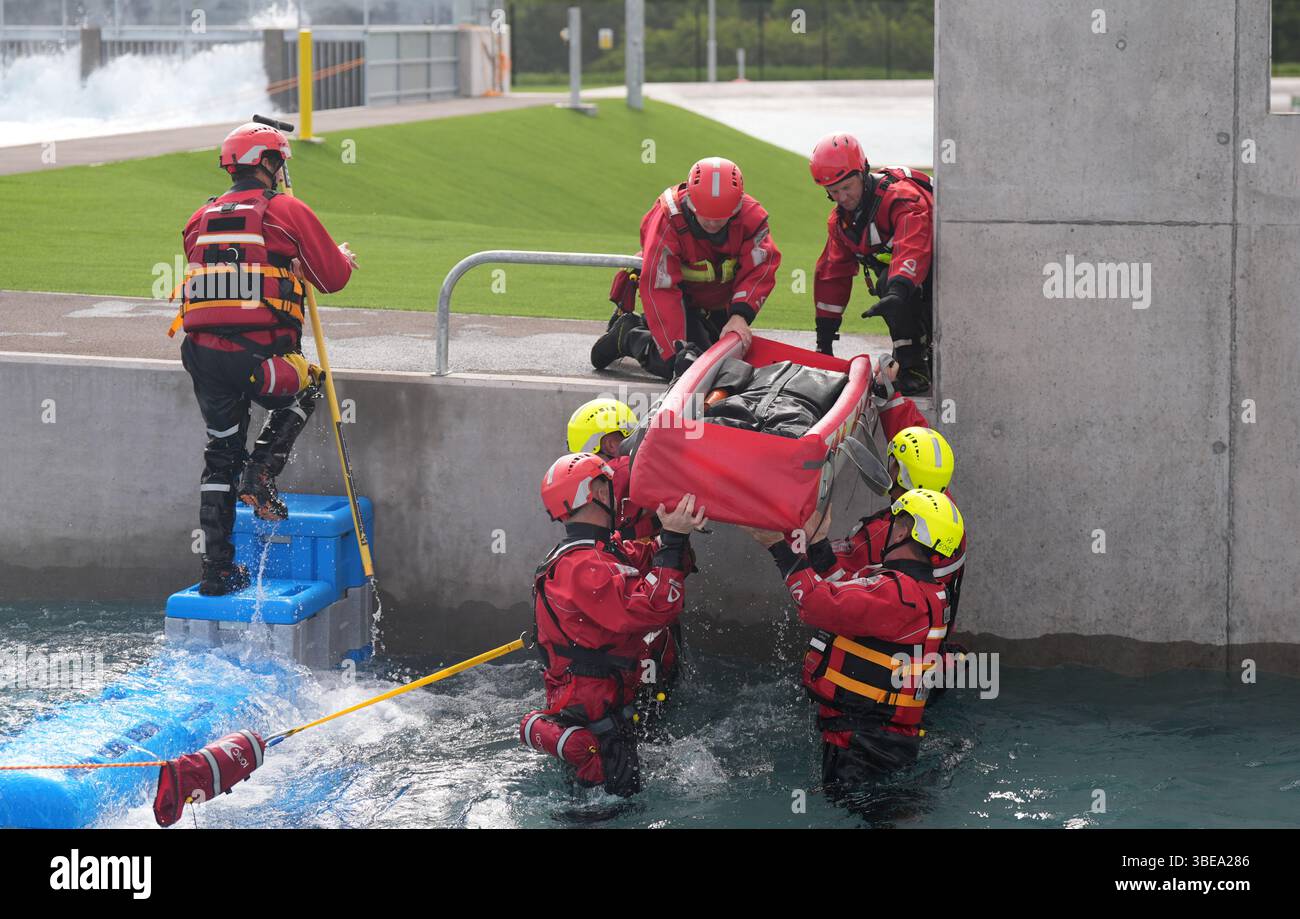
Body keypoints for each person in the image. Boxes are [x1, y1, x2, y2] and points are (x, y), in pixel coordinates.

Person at [169, 121, 358, 595]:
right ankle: (262, 471)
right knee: (311, 381)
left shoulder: (198, 218)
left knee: (219, 455)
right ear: (270, 164)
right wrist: (336, 258)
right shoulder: (285, 210)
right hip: (265, 364)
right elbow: (332, 278)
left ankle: (216, 572)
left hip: (203, 358)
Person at [745, 488, 964, 790]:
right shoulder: (919, 589)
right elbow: (847, 591)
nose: (891, 526)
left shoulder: (900, 595)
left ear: (904, 532)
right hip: (876, 743)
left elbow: (816, 603)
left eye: (897, 521)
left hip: (864, 752)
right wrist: (818, 541)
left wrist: (777, 547)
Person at [519, 453, 705, 796]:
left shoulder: (598, 551)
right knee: (610, 808)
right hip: (598, 723)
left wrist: (675, 531)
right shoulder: (583, 566)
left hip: (600, 710)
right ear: (598, 494)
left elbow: (643, 553)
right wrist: (675, 540)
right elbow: (656, 607)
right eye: (607, 485)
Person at [591, 157, 781, 380]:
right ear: (690, 202)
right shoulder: (668, 220)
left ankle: (650, 327)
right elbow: (660, 287)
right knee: (689, 367)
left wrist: (740, 316)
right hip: (679, 296)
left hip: (715, 301)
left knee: (722, 363)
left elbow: (760, 269)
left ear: (736, 208)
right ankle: (628, 336)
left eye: (719, 219)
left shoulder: (751, 219)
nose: (712, 225)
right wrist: (675, 350)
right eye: (706, 217)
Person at [808, 355, 967, 619]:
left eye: (893, 461)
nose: (888, 464)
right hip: (919, 642)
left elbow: (834, 581)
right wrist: (888, 396)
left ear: (900, 473)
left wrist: (804, 541)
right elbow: (920, 450)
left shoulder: (884, 534)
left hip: (879, 645)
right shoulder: (945, 512)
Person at [809, 133, 934, 395]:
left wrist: (898, 290)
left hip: (945, 267)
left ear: (863, 171)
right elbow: (832, 276)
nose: (843, 197)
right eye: (833, 191)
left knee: (890, 284)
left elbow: (914, 244)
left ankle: (915, 368)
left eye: (847, 187)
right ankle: (912, 355)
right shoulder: (841, 225)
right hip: (910, 279)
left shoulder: (901, 198)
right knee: (890, 286)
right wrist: (825, 341)